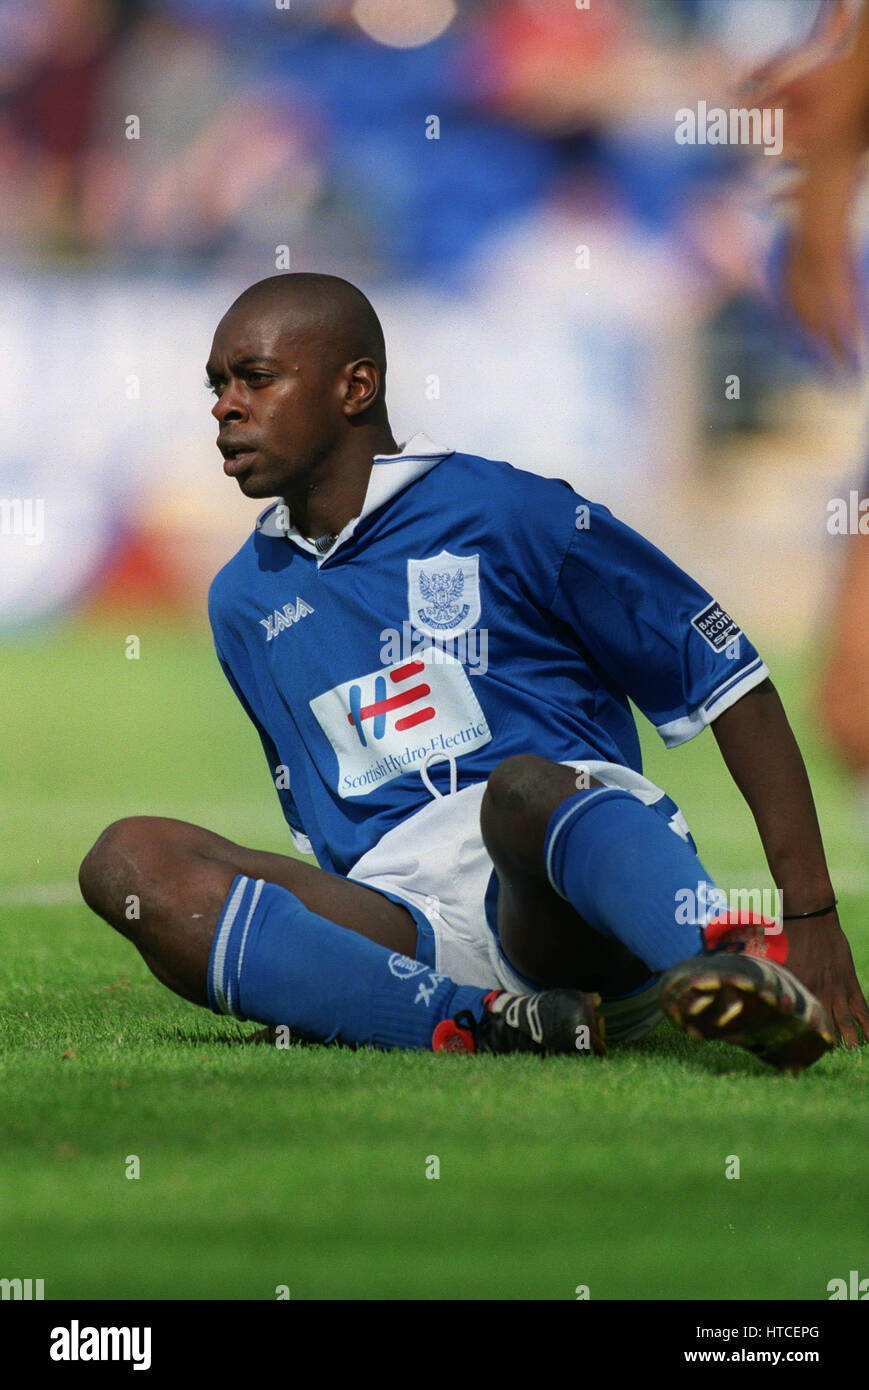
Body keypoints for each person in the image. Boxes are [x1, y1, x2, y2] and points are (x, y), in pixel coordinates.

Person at [78, 273, 868, 1071]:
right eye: (217, 386)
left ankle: (727, 957)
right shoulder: (243, 600)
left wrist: (810, 914)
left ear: (356, 387)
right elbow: (328, 836)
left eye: (255, 378)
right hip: (413, 924)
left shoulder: (512, 511)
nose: (224, 406)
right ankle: (483, 1023)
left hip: (562, 901)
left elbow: (728, 681)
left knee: (520, 788)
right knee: (128, 859)